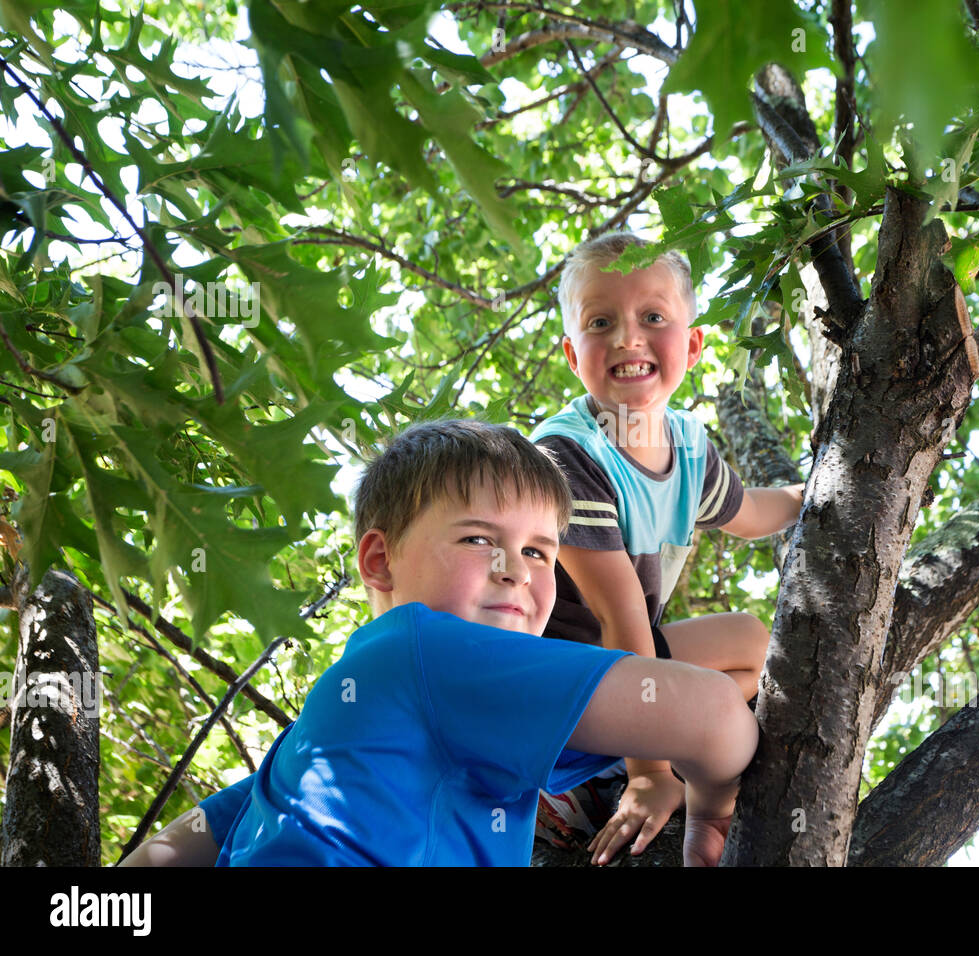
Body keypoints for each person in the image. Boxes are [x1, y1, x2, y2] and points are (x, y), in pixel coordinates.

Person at [118, 420, 757, 867]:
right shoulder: (428, 652)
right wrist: (711, 805)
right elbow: (713, 714)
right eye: (479, 539)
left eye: (539, 551)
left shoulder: (318, 744)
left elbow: (181, 845)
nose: (518, 569)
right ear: (380, 559)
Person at [531, 233, 803, 864]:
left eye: (653, 317)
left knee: (755, 644)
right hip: (559, 688)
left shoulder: (687, 449)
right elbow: (619, 617)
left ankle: (668, 787)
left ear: (692, 342)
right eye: (602, 323)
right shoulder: (566, 455)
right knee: (715, 703)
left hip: (627, 667)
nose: (628, 338)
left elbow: (750, 513)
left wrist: (813, 488)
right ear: (574, 354)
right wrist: (649, 771)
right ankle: (594, 780)